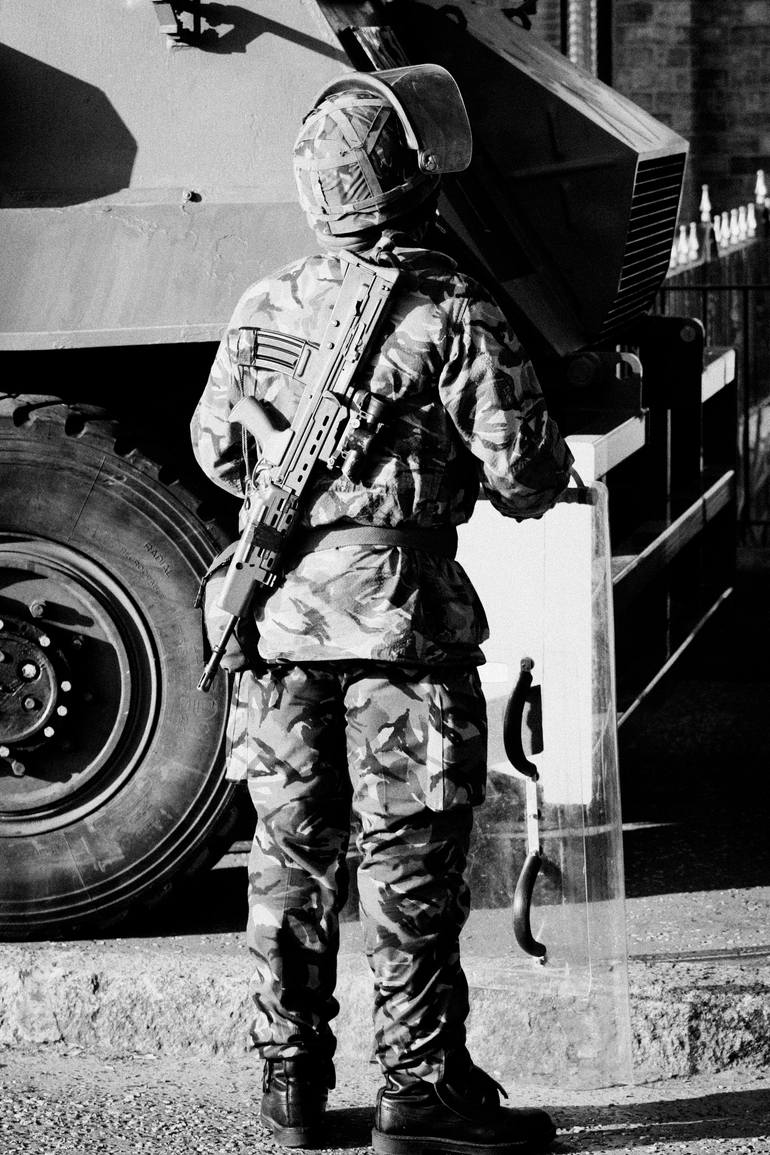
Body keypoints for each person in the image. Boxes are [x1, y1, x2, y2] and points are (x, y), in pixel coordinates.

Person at [191, 65, 573, 1155]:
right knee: (405, 865)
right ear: (407, 182)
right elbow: (527, 474)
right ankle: (420, 1093)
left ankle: (292, 1086)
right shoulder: (452, 311)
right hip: (401, 626)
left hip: (271, 623)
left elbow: (216, 447)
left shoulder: (264, 303)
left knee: (288, 858)